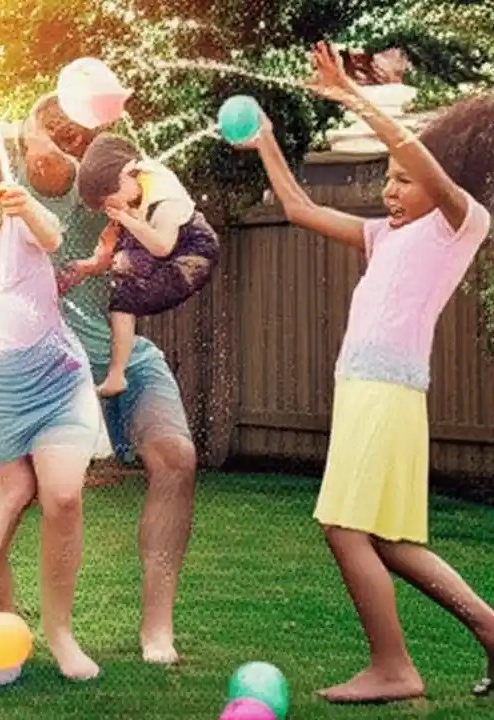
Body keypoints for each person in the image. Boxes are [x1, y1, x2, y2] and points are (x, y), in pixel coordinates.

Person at [237, 42, 494, 704]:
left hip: (386, 392)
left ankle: (393, 666)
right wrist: (266, 139)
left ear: (436, 182)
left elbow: (418, 155)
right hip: (366, 392)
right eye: (386, 178)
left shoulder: (460, 223)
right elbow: (297, 208)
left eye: (402, 179)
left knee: (344, 528)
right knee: (391, 543)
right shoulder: (388, 235)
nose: (390, 188)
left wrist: (353, 98)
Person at [0, 94, 198, 666]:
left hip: (95, 363)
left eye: (54, 141)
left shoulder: (108, 188)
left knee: (175, 458)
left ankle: (151, 628)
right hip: (9, 384)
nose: (39, 154)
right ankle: (4, 629)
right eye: (30, 142)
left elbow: (76, 230)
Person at [0, 137, 106, 679]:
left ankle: (59, 633)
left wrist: (23, 204)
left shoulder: (22, 229)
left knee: (63, 494)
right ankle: (6, 622)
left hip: (56, 379)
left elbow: (54, 235)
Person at [72, 133, 222, 397]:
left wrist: (128, 220)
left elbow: (162, 246)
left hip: (192, 254)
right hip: (164, 244)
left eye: (111, 198)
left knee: (123, 293)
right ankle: (96, 265)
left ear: (127, 173)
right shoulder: (134, 179)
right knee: (120, 257)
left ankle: (117, 376)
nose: (113, 205)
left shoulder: (165, 198)